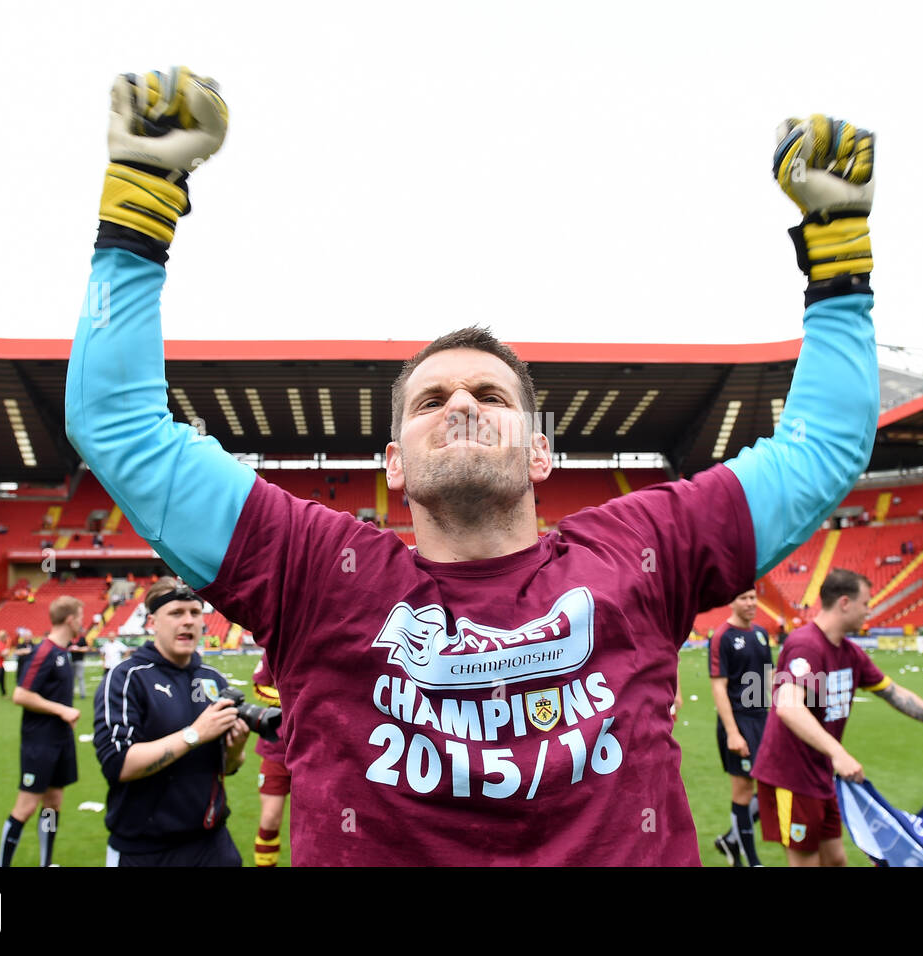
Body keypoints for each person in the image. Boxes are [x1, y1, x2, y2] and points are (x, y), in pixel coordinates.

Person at [65, 70, 878, 865]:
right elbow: (119, 425)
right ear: (393, 464)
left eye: (490, 393)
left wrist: (838, 251)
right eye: (429, 401)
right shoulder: (315, 572)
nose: (460, 402)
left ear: (540, 450)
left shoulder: (643, 548)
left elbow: (823, 448)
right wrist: (142, 194)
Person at [752, 570, 923, 866]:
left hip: (821, 774)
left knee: (836, 861)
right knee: (806, 862)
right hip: (791, 776)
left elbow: (894, 693)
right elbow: (789, 706)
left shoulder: (850, 653)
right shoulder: (807, 645)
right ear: (845, 602)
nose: (869, 611)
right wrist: (838, 752)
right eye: (866, 603)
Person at [94, 579, 248, 866]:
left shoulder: (213, 679)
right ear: (152, 622)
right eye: (176, 613)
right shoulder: (127, 678)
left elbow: (226, 767)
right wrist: (194, 735)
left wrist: (235, 750)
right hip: (144, 850)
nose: (188, 622)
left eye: (194, 612)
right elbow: (118, 764)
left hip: (212, 843)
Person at [0, 597, 84, 867]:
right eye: (80, 616)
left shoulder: (62, 651)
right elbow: (20, 694)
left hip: (60, 740)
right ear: (70, 619)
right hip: (40, 741)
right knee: (26, 806)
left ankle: (45, 863)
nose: (83, 622)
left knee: (54, 802)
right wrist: (62, 710)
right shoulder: (44, 651)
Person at [709, 588, 772, 867]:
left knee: (772, 786)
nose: (751, 603)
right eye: (744, 598)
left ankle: (731, 841)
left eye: (753, 598)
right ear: (731, 601)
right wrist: (733, 733)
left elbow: (768, 680)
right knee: (743, 792)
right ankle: (751, 861)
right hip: (738, 721)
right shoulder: (722, 636)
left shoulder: (761, 634)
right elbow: (719, 688)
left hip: (764, 720)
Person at [251, 652, 289, 867]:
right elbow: (258, 687)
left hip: (316, 748)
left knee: (317, 823)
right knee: (270, 819)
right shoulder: (274, 644)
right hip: (276, 748)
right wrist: (293, 693)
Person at [68, 631, 90, 700]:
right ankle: (71, 694)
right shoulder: (69, 639)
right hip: (70, 661)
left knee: (80, 677)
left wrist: (78, 649)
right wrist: (70, 649)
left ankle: (82, 694)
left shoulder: (81, 639)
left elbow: (86, 648)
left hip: (79, 660)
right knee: (71, 679)